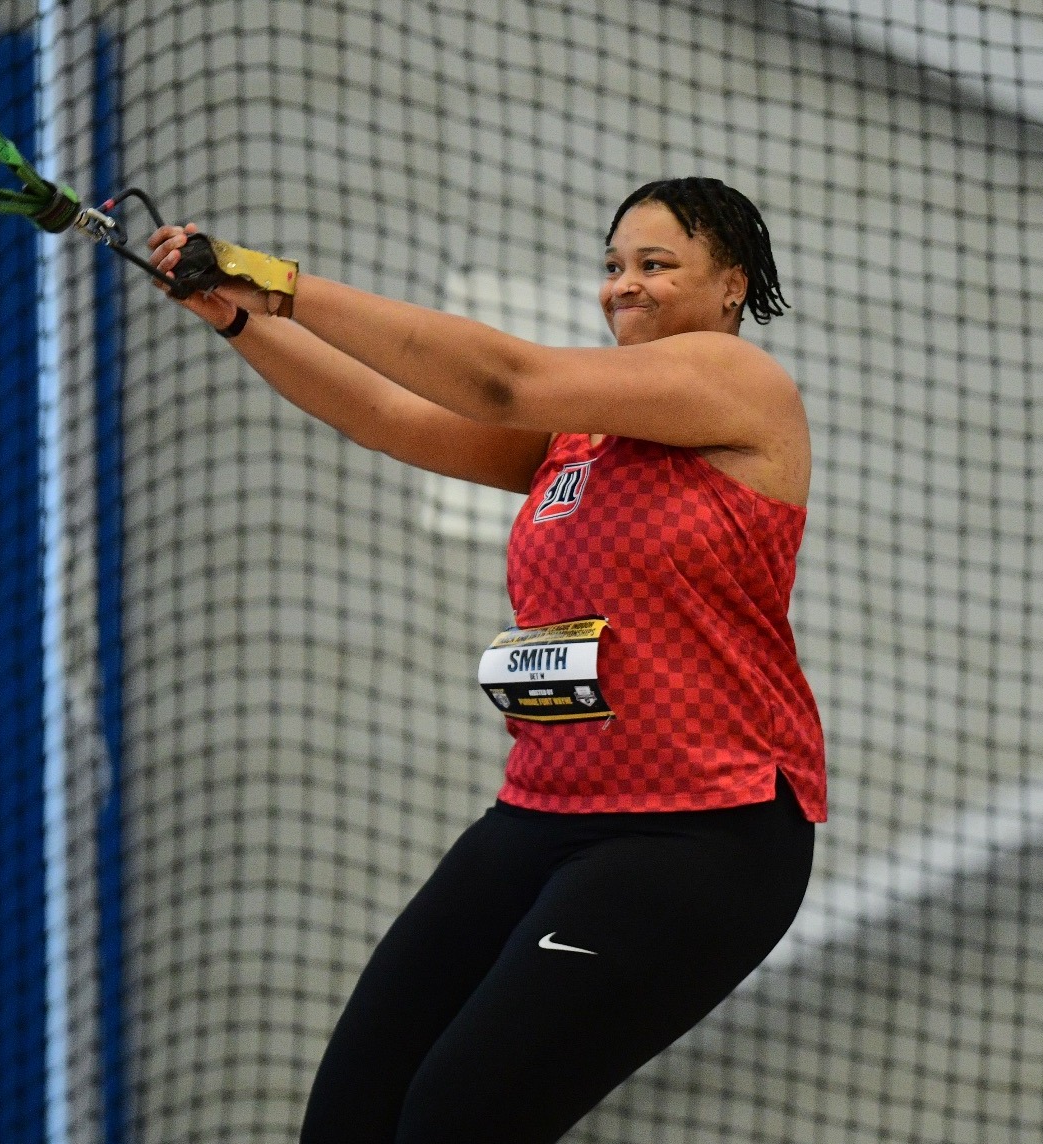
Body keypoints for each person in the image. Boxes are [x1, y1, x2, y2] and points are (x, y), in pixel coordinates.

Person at [148, 177, 826, 1144]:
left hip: (699, 835)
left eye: (656, 264)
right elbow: (395, 418)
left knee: (455, 1122)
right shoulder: (582, 437)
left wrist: (277, 282)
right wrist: (240, 321)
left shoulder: (737, 380)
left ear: (732, 285)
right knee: (351, 1120)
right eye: (613, 266)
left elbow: (500, 377)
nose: (622, 286)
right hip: (545, 811)